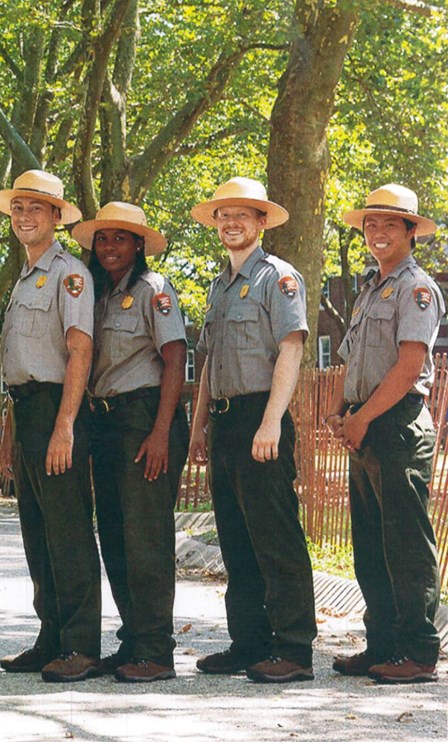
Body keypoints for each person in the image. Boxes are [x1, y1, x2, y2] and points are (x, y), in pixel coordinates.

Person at [188, 177, 316, 683]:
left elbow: (292, 348)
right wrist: (198, 426)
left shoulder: (278, 278)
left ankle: (294, 647)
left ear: (262, 222)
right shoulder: (220, 286)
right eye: (224, 215)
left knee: (275, 535)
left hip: (260, 416)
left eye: (243, 214)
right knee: (236, 538)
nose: (232, 223)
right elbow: (206, 362)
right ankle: (249, 642)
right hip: (222, 422)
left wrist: (271, 422)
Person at [327, 184, 442, 684]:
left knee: (405, 542)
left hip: (396, 425)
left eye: (389, 224)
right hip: (366, 422)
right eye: (370, 224)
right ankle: (383, 646)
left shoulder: (417, 288)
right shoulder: (371, 287)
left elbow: (409, 364)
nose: (376, 232)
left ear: (411, 231)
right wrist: (338, 411)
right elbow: (350, 358)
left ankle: (417, 652)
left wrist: (363, 417)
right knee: (370, 543)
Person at [0, 170, 102, 683]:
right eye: (17, 208)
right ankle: (50, 635)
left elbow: (79, 348)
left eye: (36, 208)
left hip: (57, 407)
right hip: (25, 409)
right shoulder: (22, 277)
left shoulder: (69, 273)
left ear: (57, 216)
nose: (25, 217)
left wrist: (65, 426)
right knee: (36, 529)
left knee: (69, 529)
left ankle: (80, 643)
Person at [76, 202, 188, 682]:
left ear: (138, 244)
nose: (110, 247)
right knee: (117, 538)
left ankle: (156, 650)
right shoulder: (97, 295)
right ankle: (133, 638)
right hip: (106, 423)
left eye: (120, 239)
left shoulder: (154, 290)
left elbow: (175, 356)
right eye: (103, 239)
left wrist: (161, 432)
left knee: (146, 538)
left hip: (145, 419)